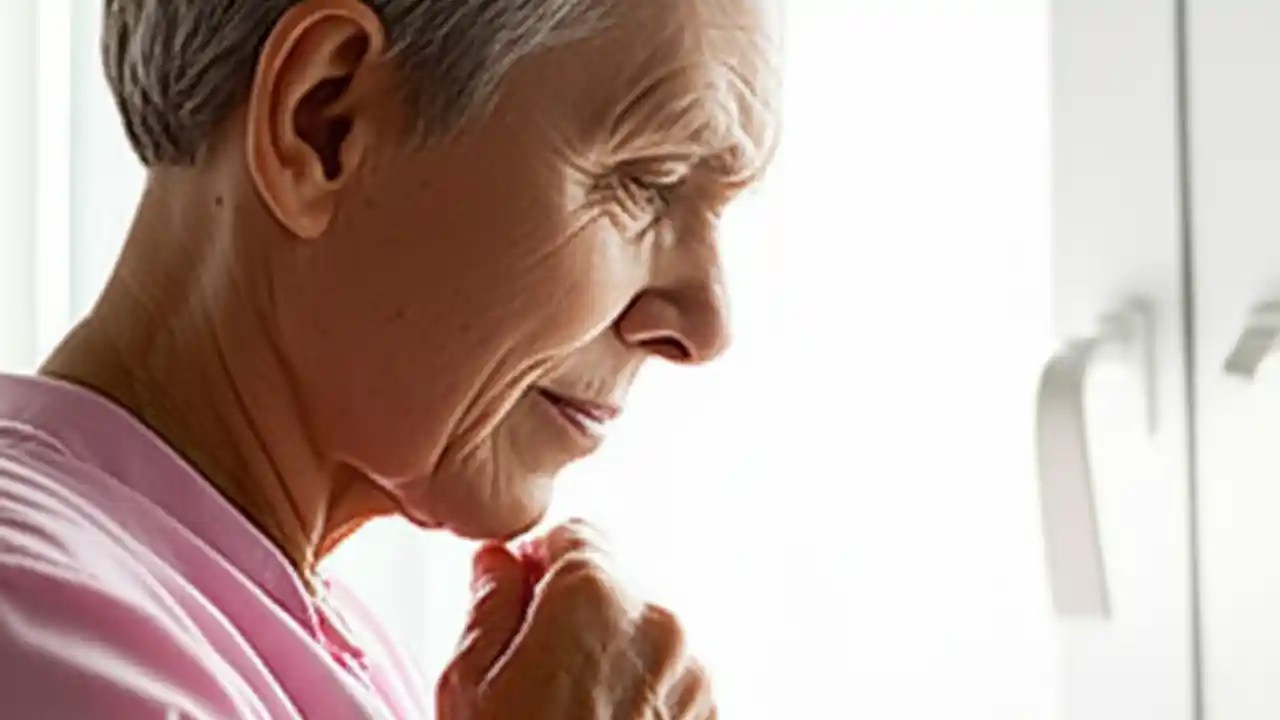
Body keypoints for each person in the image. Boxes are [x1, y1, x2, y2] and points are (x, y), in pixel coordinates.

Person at [0, 0, 778, 717]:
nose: (706, 326)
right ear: (323, 122)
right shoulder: (41, 618)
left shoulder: (295, 633)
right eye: (649, 183)